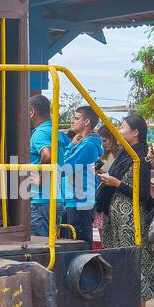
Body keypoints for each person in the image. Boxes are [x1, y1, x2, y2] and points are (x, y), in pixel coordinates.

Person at [96, 113, 154, 307]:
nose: (119, 131)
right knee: (118, 263)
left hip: (131, 220)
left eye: (123, 127)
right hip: (116, 218)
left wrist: (117, 184)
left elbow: (142, 193)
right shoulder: (125, 154)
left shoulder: (140, 157)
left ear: (136, 132)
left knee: (135, 263)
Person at [58, 105, 103, 247]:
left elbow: (64, 167)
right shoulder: (81, 144)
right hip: (73, 199)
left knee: (79, 244)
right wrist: (71, 145)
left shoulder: (88, 145)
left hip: (79, 201)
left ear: (87, 122)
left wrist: (68, 147)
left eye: (76, 118)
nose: (72, 121)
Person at [27, 93, 65, 239]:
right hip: (56, 198)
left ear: (32, 112)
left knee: (40, 245)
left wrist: (41, 180)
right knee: (50, 244)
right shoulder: (58, 133)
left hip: (40, 200)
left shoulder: (40, 133)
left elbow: (47, 155)